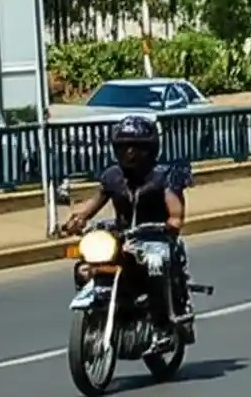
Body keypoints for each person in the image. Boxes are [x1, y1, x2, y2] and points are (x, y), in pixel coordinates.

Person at [63, 115, 193, 355]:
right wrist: (78, 219)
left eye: (136, 146)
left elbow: (175, 212)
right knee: (85, 265)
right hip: (122, 237)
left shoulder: (163, 176)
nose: (129, 152)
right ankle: (96, 313)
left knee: (155, 263)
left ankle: (163, 327)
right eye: (123, 146)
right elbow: (93, 204)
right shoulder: (113, 177)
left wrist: (171, 224)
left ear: (150, 149)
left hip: (155, 237)